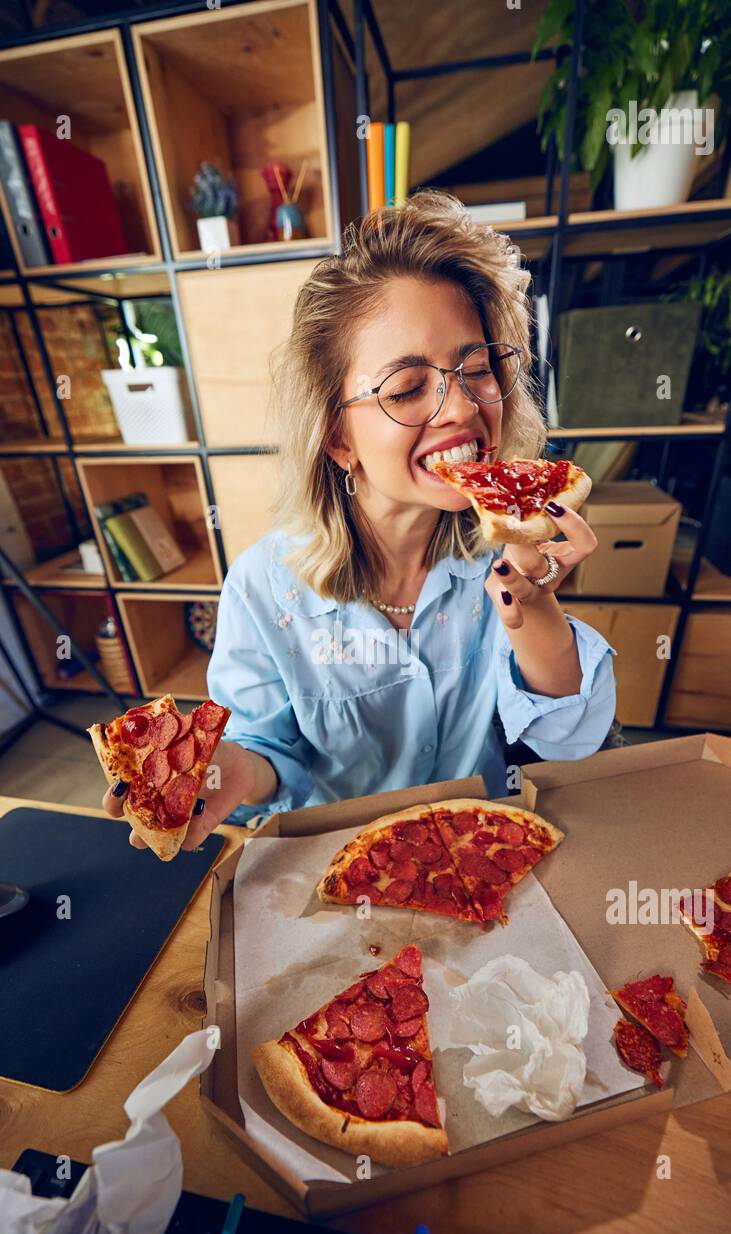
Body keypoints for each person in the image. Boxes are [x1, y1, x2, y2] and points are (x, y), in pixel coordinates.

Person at [103, 191, 615, 851]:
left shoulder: (502, 559)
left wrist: (533, 607)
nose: (460, 407)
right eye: (406, 388)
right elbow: (269, 751)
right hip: (334, 864)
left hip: (481, 846)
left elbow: (568, 743)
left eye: (477, 370)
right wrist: (226, 770)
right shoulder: (263, 588)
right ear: (337, 439)